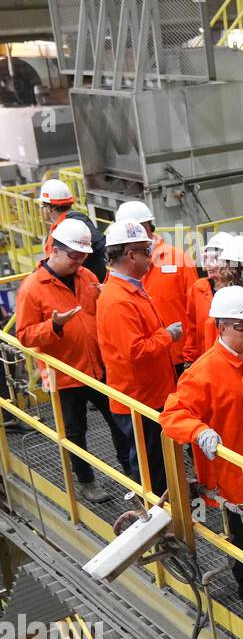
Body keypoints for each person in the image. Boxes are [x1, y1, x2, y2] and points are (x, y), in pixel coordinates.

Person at [15, 217, 132, 501]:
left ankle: (131, 475)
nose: (78, 262)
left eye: (83, 256)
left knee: (119, 422)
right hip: (65, 375)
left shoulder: (87, 277)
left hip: (98, 367)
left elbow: (96, 316)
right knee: (74, 431)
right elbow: (25, 336)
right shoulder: (32, 289)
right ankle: (86, 481)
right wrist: (53, 326)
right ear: (54, 250)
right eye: (74, 255)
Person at [161, 286, 243, 602]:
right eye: (241, 326)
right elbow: (172, 414)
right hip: (231, 475)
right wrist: (199, 430)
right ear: (221, 327)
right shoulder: (203, 372)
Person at [96, 220, 181, 496]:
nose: (150, 258)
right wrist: (168, 336)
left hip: (150, 394)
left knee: (157, 462)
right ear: (131, 255)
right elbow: (135, 352)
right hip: (139, 400)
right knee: (150, 468)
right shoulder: (119, 300)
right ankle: (158, 523)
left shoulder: (130, 289)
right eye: (146, 252)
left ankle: (166, 510)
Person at [115, 200, 197, 377]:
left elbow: (196, 309)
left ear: (147, 227)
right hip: (148, 359)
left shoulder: (178, 258)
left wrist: (193, 353)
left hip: (180, 355)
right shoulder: (120, 266)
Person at [182, 232, 235, 364]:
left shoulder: (240, 291)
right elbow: (192, 329)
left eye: (215, 259)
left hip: (234, 361)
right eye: (206, 259)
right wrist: (189, 359)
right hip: (206, 361)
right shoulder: (198, 288)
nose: (208, 264)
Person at [39, 179, 105, 281]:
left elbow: (101, 245)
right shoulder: (61, 225)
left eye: (42, 206)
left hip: (83, 284)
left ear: (48, 208)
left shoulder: (76, 224)